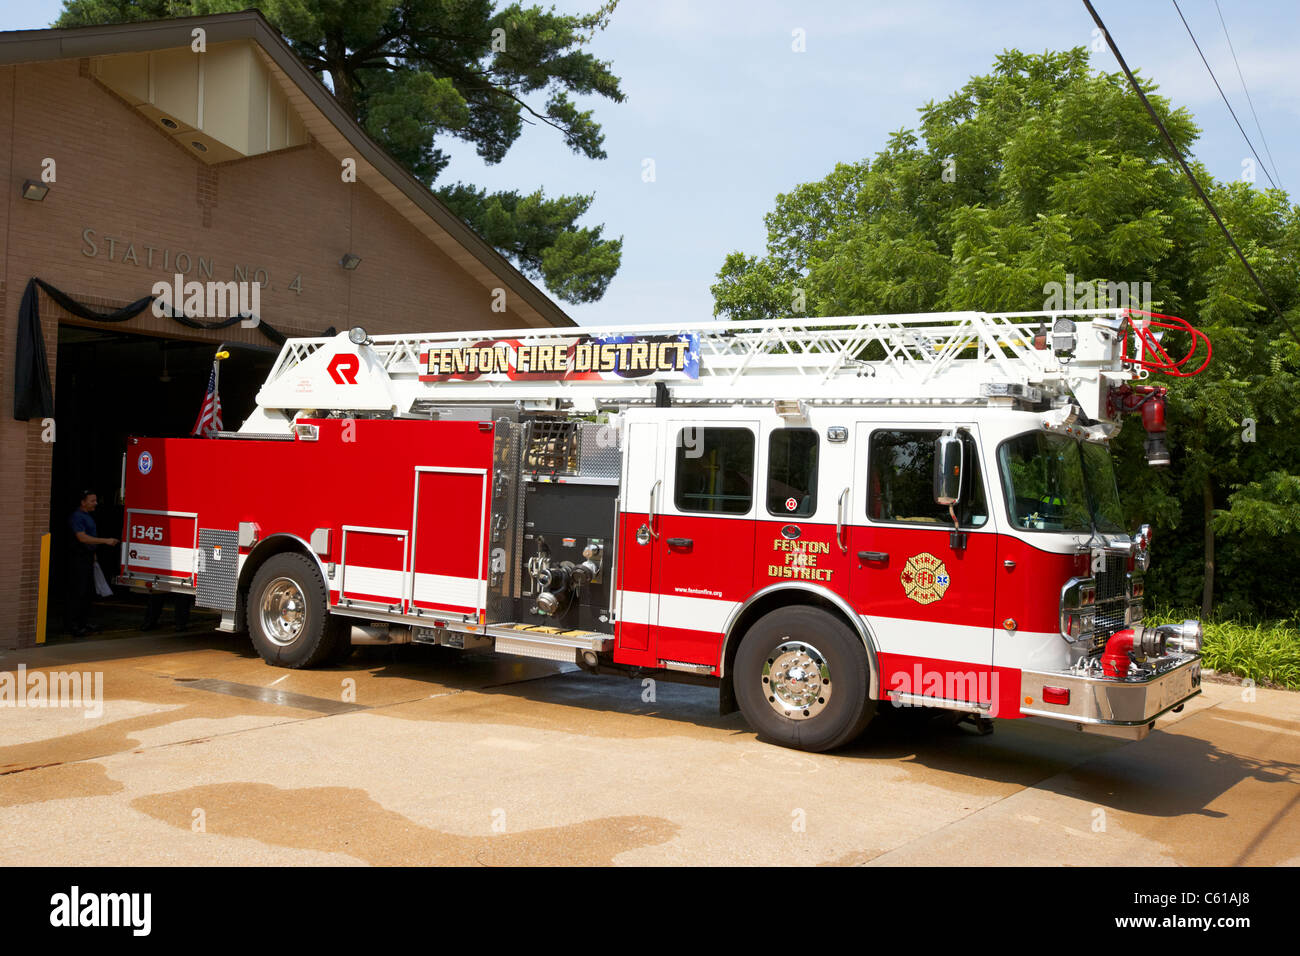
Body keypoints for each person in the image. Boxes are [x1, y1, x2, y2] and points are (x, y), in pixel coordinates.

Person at [67, 489, 118, 637]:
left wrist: (94, 555)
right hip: (78, 559)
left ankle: (83, 622)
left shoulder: (87, 516)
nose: (95, 503)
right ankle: (73, 625)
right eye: (92, 501)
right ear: (83, 502)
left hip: (88, 558)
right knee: (78, 592)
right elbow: (82, 538)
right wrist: (106, 541)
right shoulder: (77, 517)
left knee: (87, 592)